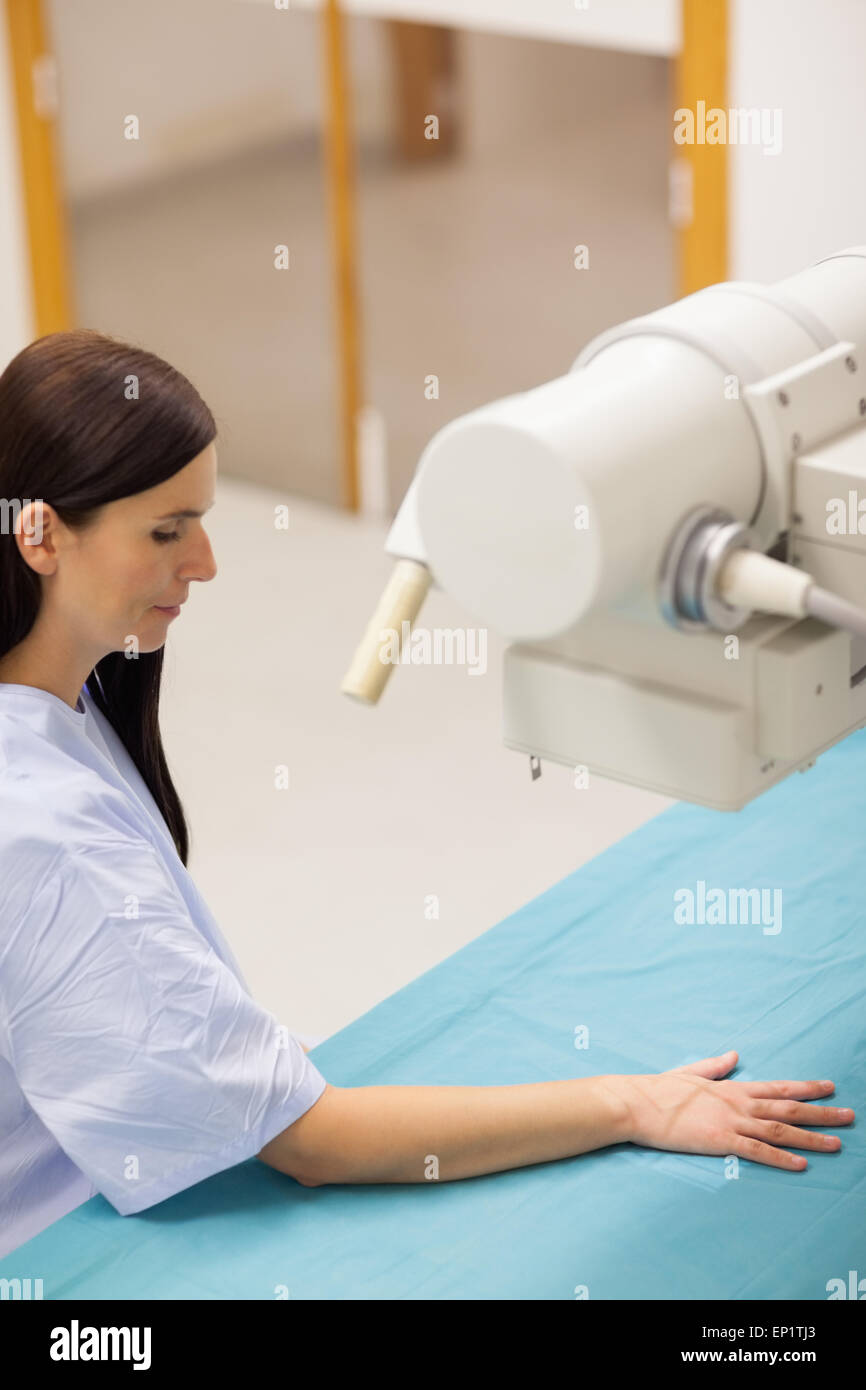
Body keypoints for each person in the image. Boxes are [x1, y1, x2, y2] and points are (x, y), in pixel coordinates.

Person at [0, 330, 853, 1260]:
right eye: (166, 531)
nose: (204, 563)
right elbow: (312, 1144)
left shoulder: (55, 703)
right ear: (40, 532)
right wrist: (632, 1101)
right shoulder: (46, 833)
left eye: (202, 521)